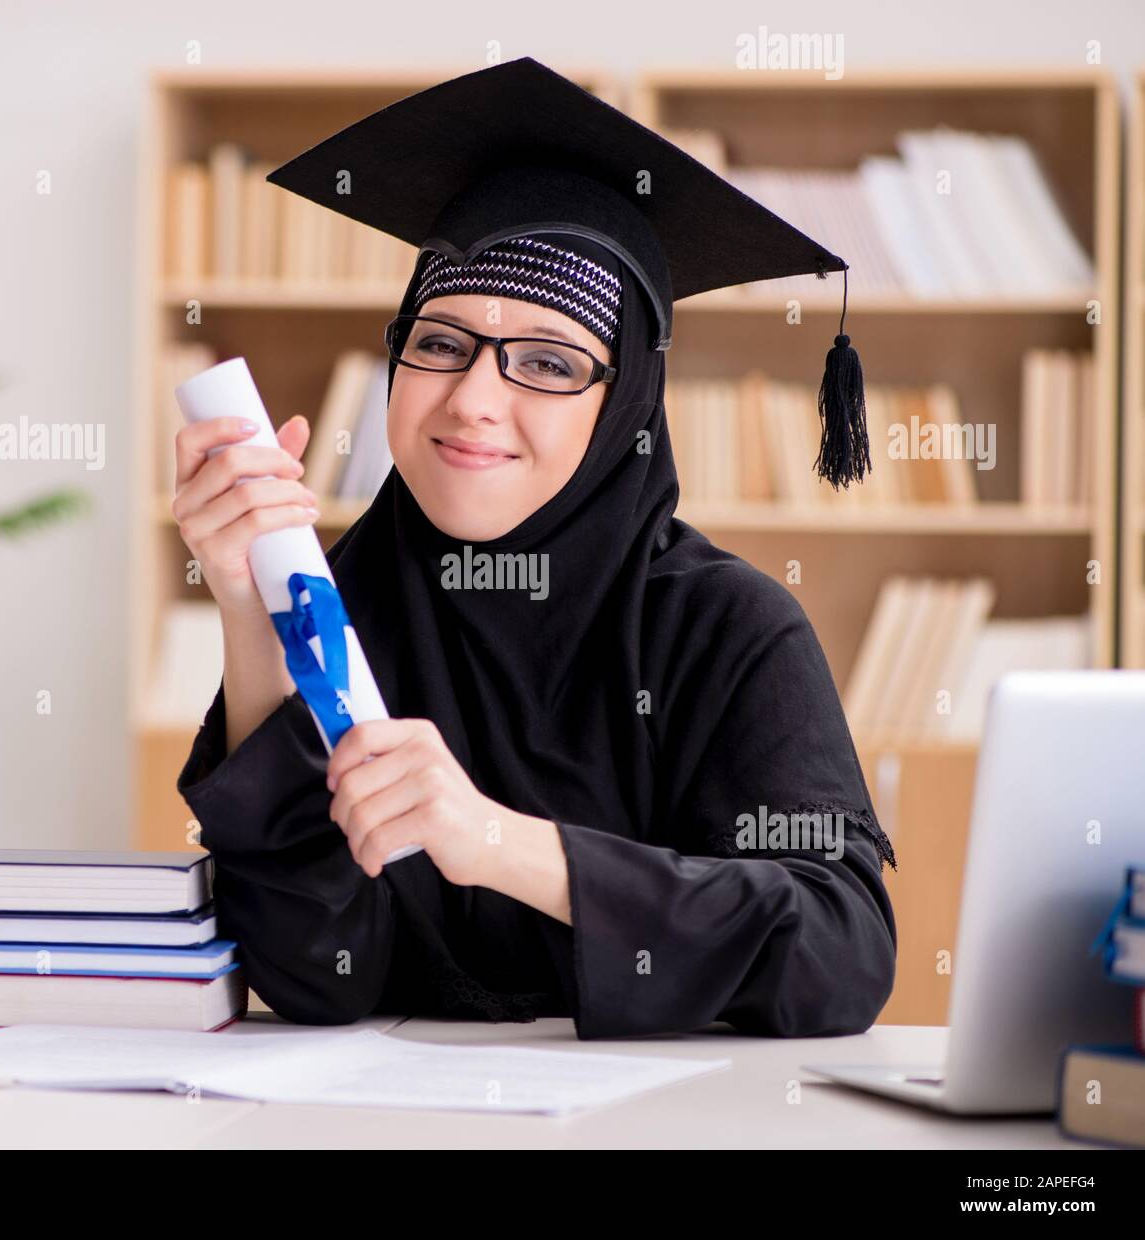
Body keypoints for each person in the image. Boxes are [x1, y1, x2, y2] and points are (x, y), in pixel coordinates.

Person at [173, 58, 896, 1040]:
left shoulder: (727, 630)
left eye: (548, 362)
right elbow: (314, 976)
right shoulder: (340, 605)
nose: (472, 398)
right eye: (439, 342)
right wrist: (249, 607)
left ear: (625, 404)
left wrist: (501, 845)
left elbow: (840, 949)